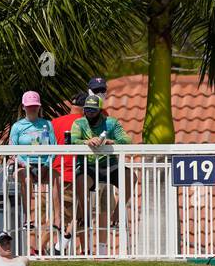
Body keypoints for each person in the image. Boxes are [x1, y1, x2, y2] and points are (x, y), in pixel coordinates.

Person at [69, 94, 132, 247]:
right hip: (88, 167)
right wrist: (86, 141)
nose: (89, 113)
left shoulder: (111, 123)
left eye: (93, 110)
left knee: (130, 176)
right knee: (81, 182)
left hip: (110, 165)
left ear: (100, 110)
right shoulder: (79, 123)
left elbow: (127, 140)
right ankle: (85, 216)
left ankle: (118, 211)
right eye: (87, 110)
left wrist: (112, 141)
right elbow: (72, 140)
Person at [10, 91, 58, 252]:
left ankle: (57, 217)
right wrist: (24, 164)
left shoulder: (47, 124)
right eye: (29, 107)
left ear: (39, 107)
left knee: (56, 176)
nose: (32, 109)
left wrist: (47, 163)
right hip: (25, 166)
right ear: (23, 107)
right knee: (26, 179)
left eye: (34, 107)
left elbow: (54, 147)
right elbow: (12, 151)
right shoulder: (17, 127)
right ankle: (28, 216)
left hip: (43, 165)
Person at [50, 93, 87, 255]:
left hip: (55, 173)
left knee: (54, 216)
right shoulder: (85, 123)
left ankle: (39, 247)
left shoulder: (54, 123)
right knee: (79, 214)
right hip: (74, 172)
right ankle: (76, 248)